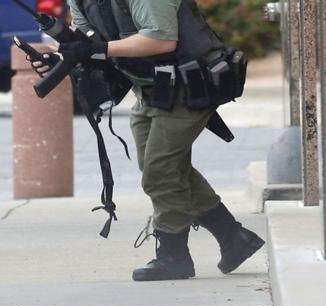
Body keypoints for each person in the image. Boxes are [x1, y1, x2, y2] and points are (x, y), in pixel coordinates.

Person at [28, 0, 264, 282]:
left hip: (192, 84)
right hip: (153, 89)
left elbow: (161, 39)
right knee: (163, 168)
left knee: (160, 171)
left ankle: (174, 255)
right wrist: (60, 58)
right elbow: (90, 42)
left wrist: (98, 49)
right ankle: (233, 236)